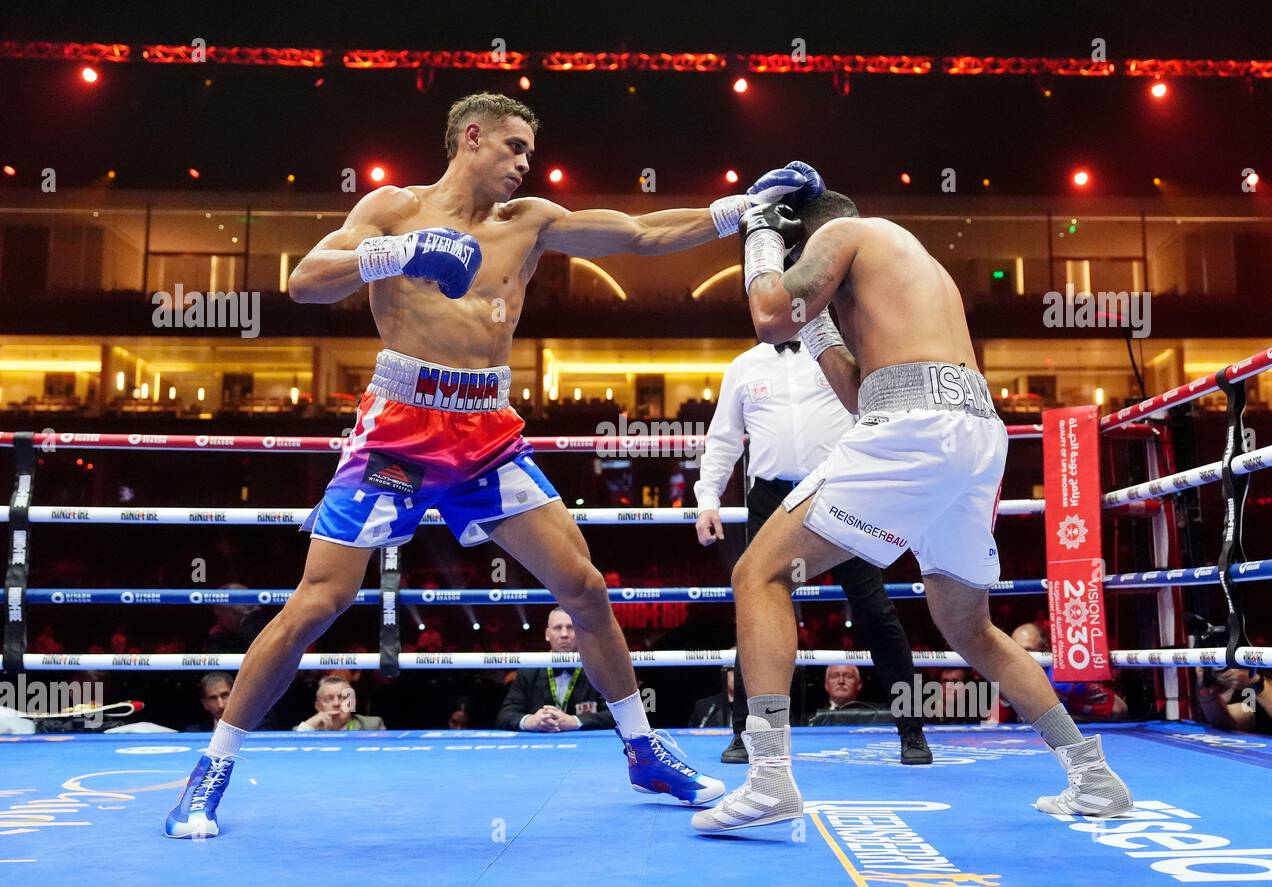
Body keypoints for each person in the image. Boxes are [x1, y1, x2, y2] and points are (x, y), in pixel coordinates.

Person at [166, 92, 818, 837]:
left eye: (528, 154)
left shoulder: (530, 222)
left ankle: (643, 748)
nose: (523, 165)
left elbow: (639, 234)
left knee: (585, 584)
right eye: (513, 148)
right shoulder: (393, 209)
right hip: (398, 434)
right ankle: (209, 771)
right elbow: (304, 282)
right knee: (320, 599)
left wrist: (740, 210)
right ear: (471, 138)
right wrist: (400, 252)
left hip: (486, 433)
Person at [692, 187, 1133, 833]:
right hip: (972, 432)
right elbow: (859, 396)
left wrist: (759, 232)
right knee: (968, 626)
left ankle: (767, 779)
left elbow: (767, 311)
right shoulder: (906, 266)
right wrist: (817, 326)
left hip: (918, 427)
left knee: (758, 572)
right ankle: (1094, 776)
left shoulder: (844, 234)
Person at [695, 338, 930, 763]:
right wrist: (708, 499)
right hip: (770, 497)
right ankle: (748, 733)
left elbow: (879, 418)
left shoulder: (841, 356)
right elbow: (724, 439)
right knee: (756, 610)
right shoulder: (745, 365)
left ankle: (911, 731)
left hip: (840, 489)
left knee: (874, 609)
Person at [496, 608, 614, 731]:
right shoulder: (529, 671)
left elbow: (615, 716)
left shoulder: (597, 670)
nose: (564, 634)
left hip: (586, 745)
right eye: (558, 628)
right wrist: (529, 721)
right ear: (547, 634)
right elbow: (504, 716)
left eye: (571, 627)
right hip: (539, 744)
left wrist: (575, 721)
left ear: (580, 632)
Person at [1014, 622, 1129, 723]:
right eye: (1014, 649)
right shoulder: (1004, 671)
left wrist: (1075, 719)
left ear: (1045, 649)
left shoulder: (1064, 682)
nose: (1020, 655)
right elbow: (995, 718)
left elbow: (1118, 709)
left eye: (1028, 650)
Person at [294, 676, 386, 731]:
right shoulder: (307, 728)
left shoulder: (373, 725)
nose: (336, 703)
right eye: (329, 699)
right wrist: (308, 726)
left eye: (343, 698)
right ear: (318, 706)